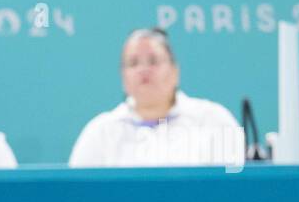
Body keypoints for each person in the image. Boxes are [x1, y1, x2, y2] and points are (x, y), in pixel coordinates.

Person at [68, 29, 242, 168]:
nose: (143, 69)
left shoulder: (214, 120)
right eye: (133, 63)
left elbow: (236, 189)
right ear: (123, 78)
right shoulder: (100, 132)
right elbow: (78, 198)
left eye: (153, 61)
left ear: (175, 72)